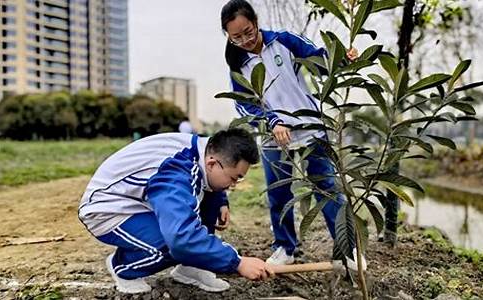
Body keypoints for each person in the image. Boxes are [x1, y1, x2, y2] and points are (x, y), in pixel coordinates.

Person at [220, 0, 366, 270]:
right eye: (236, 37)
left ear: (256, 21)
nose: (245, 40)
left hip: (310, 127)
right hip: (273, 136)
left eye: (248, 32)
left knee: (328, 189)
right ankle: (285, 247)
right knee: (279, 195)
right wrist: (272, 120)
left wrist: (343, 59)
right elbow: (244, 104)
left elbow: (320, 61)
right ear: (228, 36)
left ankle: (348, 250)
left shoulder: (284, 41)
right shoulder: (238, 63)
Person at [78, 128, 274, 294]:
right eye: (234, 178)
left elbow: (208, 180)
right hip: (107, 208)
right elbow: (182, 238)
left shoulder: (204, 152)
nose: (234, 185)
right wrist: (237, 262)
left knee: (212, 196)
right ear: (213, 163)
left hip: (137, 200)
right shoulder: (177, 172)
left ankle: (190, 268)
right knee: (173, 244)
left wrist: (221, 200)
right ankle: (122, 268)